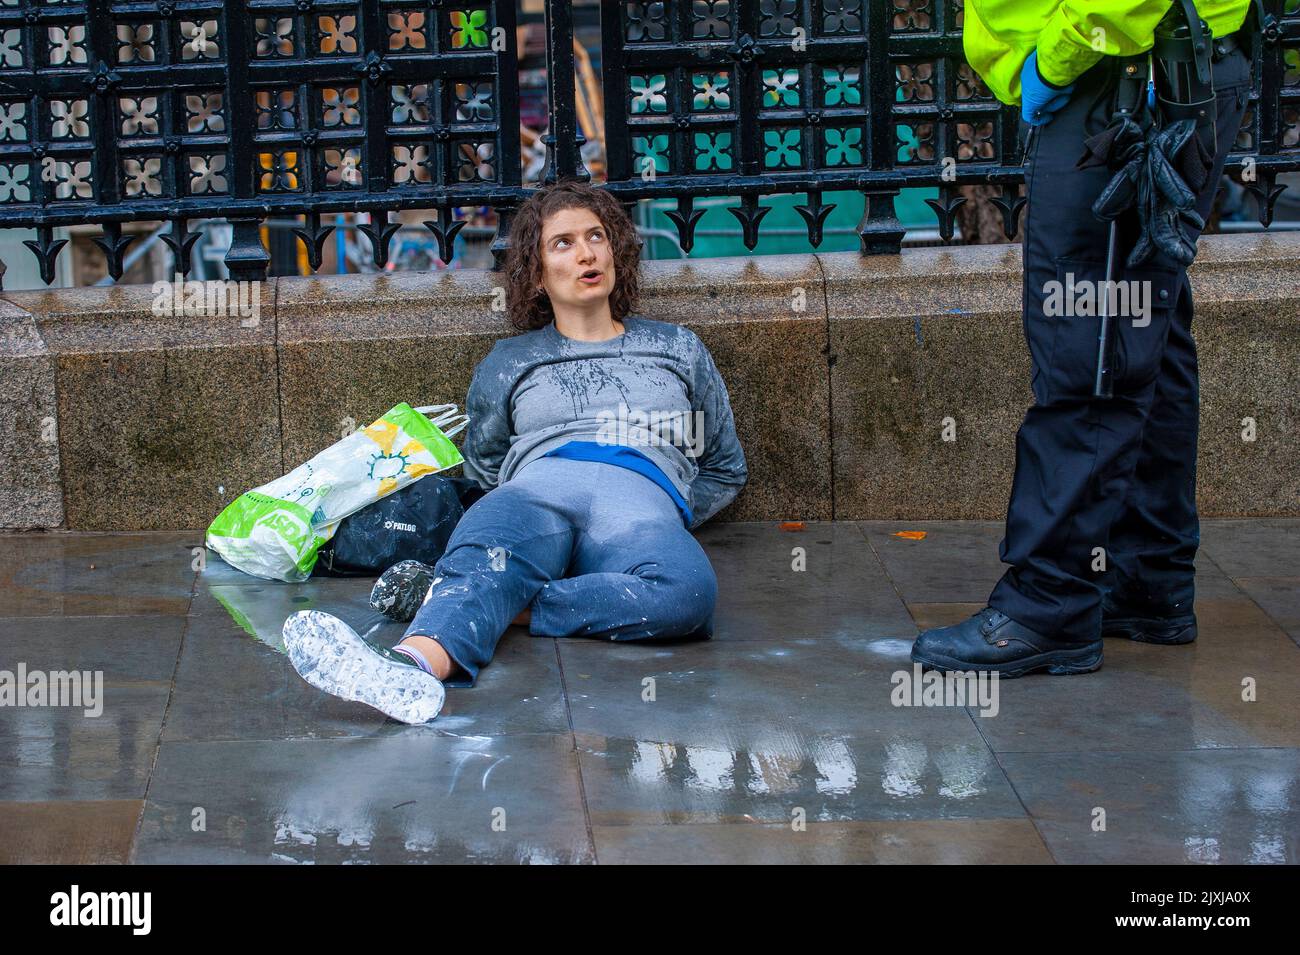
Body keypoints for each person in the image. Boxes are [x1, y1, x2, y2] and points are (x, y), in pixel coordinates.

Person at [281, 179, 748, 721]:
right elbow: (487, 461)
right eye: (563, 243)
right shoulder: (511, 360)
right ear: (538, 272)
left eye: (596, 237)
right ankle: (410, 667)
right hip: (538, 489)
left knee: (687, 596)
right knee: (486, 548)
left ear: (617, 250)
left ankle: (501, 602)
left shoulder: (675, 347)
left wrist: (673, 507)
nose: (587, 253)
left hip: (641, 503)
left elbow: (723, 467)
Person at [912, 1, 1256, 677]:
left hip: (1119, 73)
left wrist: (1056, 58)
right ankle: (1144, 580)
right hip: (1153, 65)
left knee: (1090, 343)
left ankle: (1050, 604)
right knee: (1143, 323)